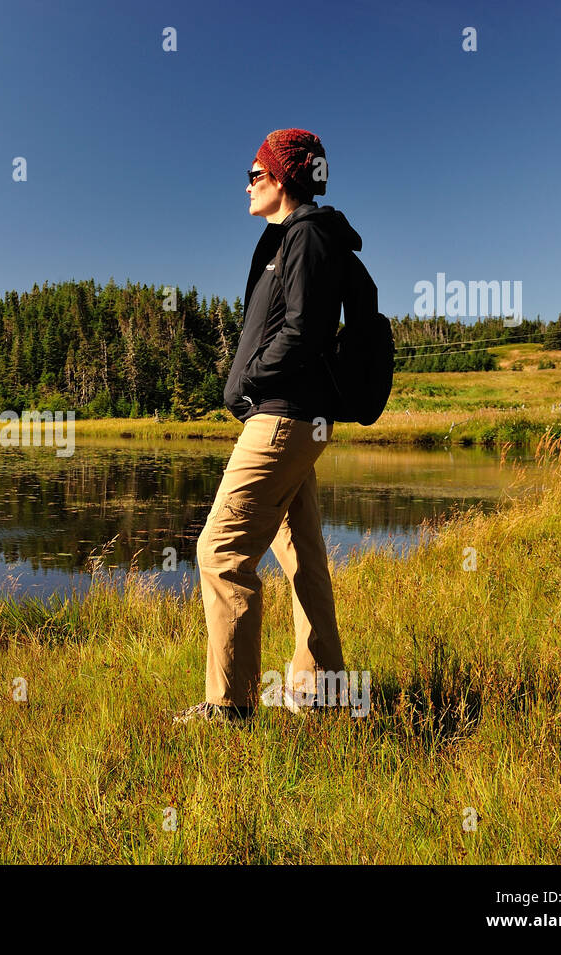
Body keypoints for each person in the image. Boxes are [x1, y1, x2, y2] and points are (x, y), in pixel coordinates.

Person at [175, 128, 362, 724]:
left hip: (282, 419)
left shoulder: (304, 236)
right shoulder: (292, 238)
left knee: (220, 551)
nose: (248, 184)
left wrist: (249, 378)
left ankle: (229, 706)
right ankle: (322, 690)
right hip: (294, 420)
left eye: (255, 173)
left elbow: (305, 331)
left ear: (283, 177)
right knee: (301, 554)